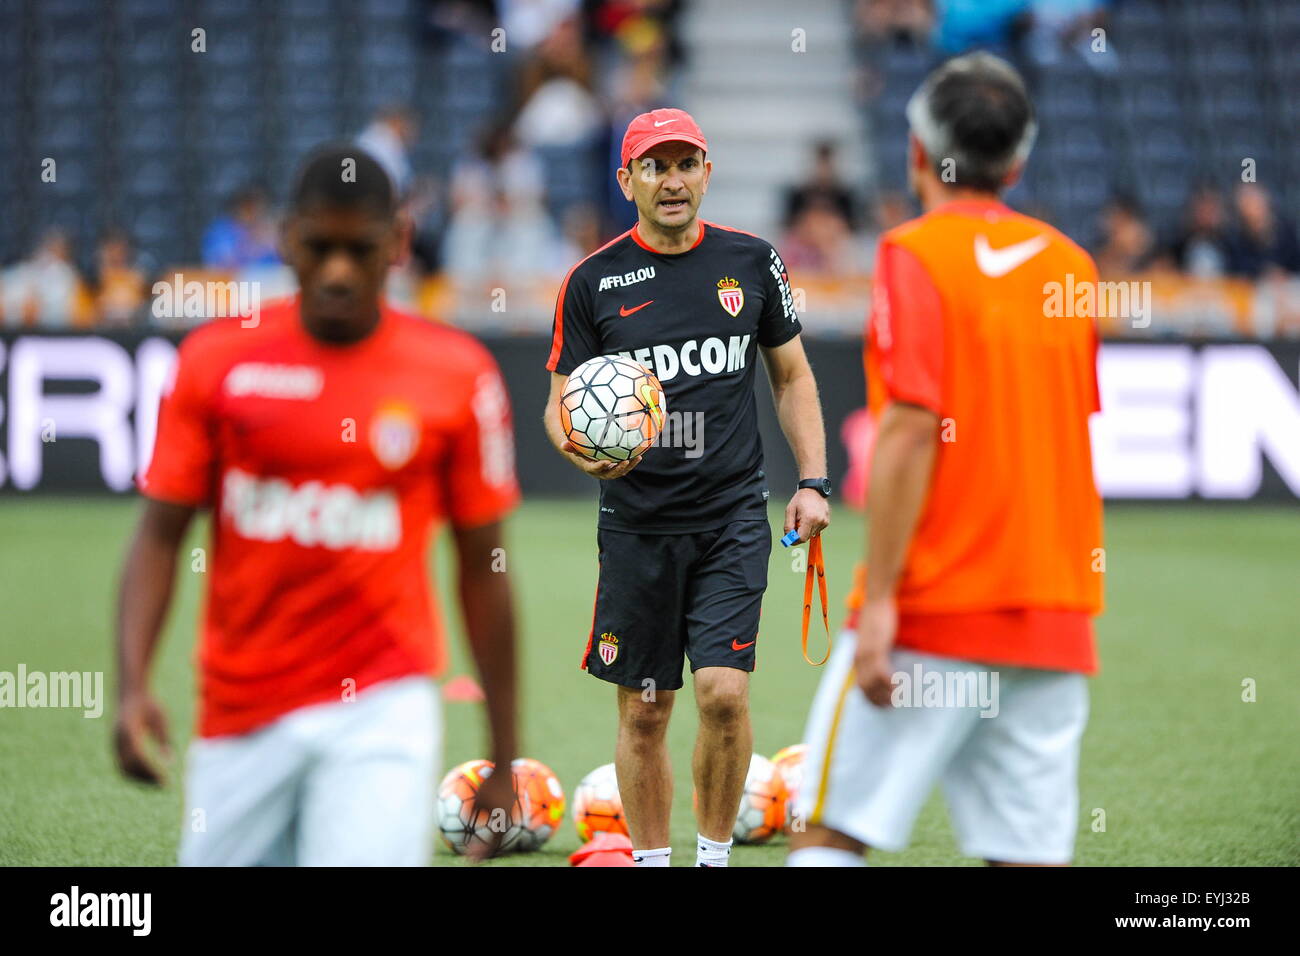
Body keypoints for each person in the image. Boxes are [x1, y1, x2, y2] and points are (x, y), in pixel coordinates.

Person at [114, 145, 520, 866]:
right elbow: (159, 536)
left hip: (383, 710)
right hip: (239, 713)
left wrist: (505, 755)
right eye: (319, 247)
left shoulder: (458, 375)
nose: (337, 270)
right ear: (287, 238)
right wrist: (133, 684)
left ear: (397, 243)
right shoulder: (215, 361)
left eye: (359, 249)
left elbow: (484, 568)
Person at [789, 52, 1104, 867]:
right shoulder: (1074, 266)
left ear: (918, 152)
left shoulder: (913, 254)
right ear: (1020, 160)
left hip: (938, 606)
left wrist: (883, 601)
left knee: (830, 833)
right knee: (1024, 857)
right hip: (1052, 615)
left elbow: (910, 427)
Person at [542, 108, 831, 867]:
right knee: (645, 712)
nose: (671, 181)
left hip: (733, 515)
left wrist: (812, 481)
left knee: (723, 696)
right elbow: (558, 407)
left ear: (706, 171)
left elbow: (793, 374)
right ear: (626, 179)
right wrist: (582, 451)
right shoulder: (592, 281)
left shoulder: (753, 261)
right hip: (637, 526)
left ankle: (712, 858)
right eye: (654, 167)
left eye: (684, 164)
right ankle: (650, 862)